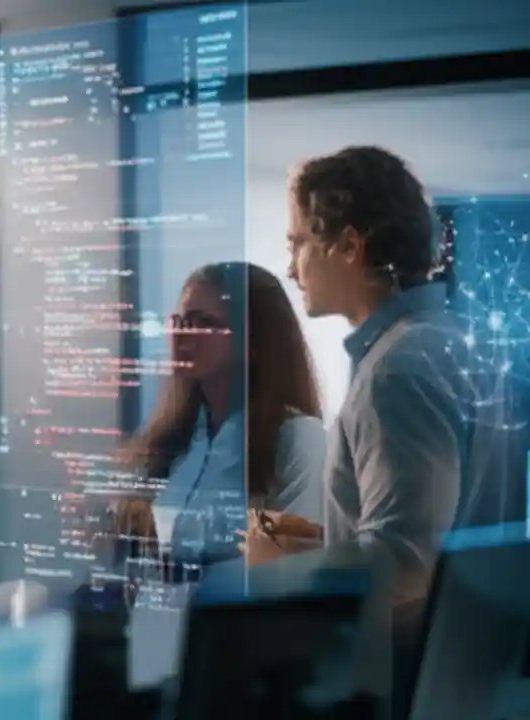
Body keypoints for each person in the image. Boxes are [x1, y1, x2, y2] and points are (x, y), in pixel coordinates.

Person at [242, 146, 510, 606]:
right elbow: (441, 536)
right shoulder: (456, 348)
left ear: (349, 246)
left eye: (298, 244)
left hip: (404, 651)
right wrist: (330, 542)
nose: (290, 268)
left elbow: (402, 573)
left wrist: (283, 566)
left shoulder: (395, 370)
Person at [118, 262, 326, 577]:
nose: (182, 334)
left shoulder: (297, 438)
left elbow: (294, 565)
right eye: (179, 321)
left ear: (254, 341)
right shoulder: (174, 436)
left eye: (202, 322)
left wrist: (166, 529)